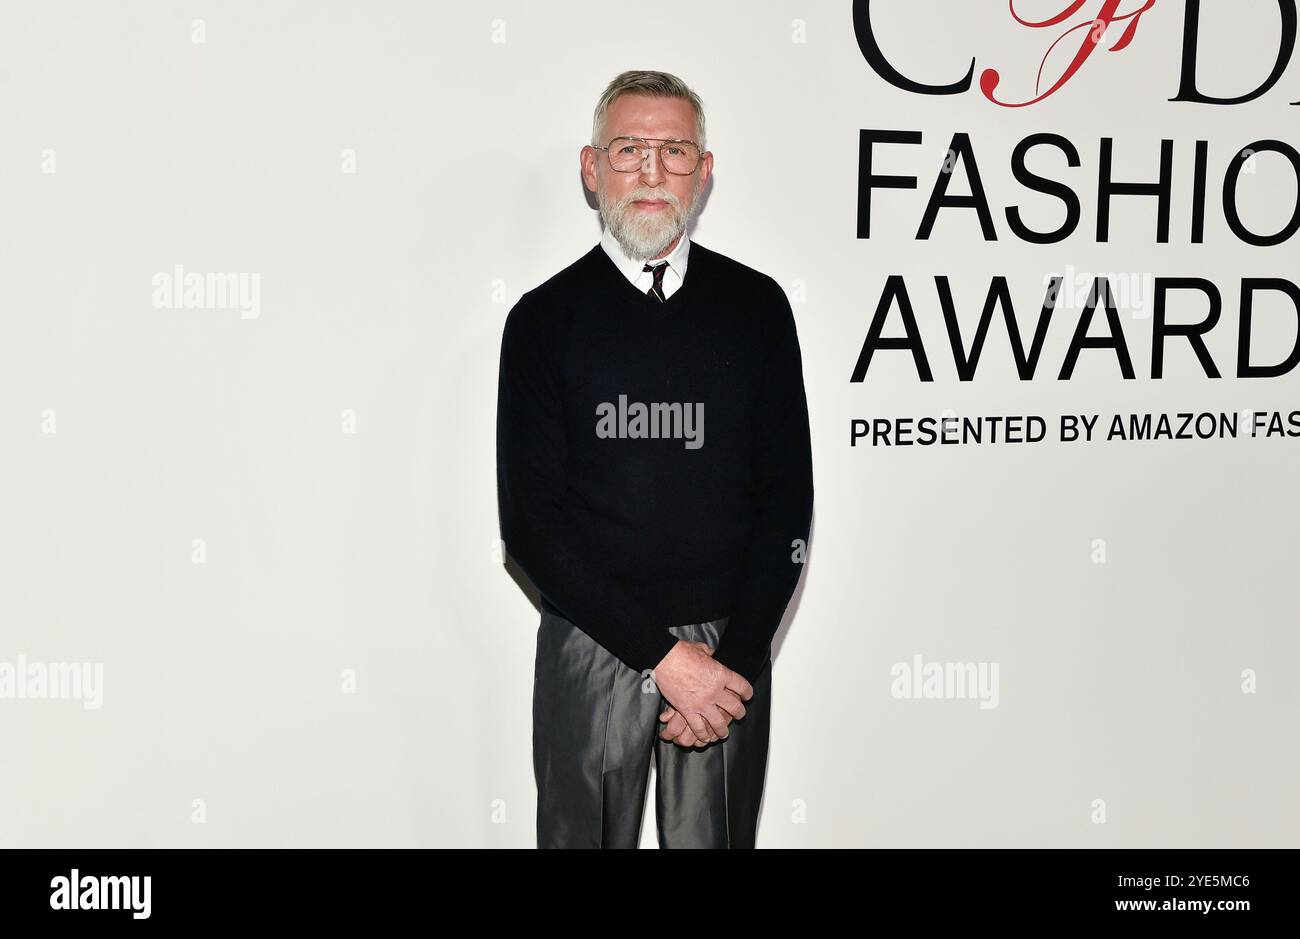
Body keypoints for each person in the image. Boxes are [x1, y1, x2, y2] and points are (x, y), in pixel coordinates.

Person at [495, 69, 813, 848]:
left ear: (703, 172)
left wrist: (729, 666)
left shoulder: (758, 306)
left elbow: (787, 500)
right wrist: (663, 657)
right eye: (629, 147)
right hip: (592, 641)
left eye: (673, 150)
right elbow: (531, 525)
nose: (649, 170)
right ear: (591, 166)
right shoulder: (542, 320)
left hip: (730, 646)